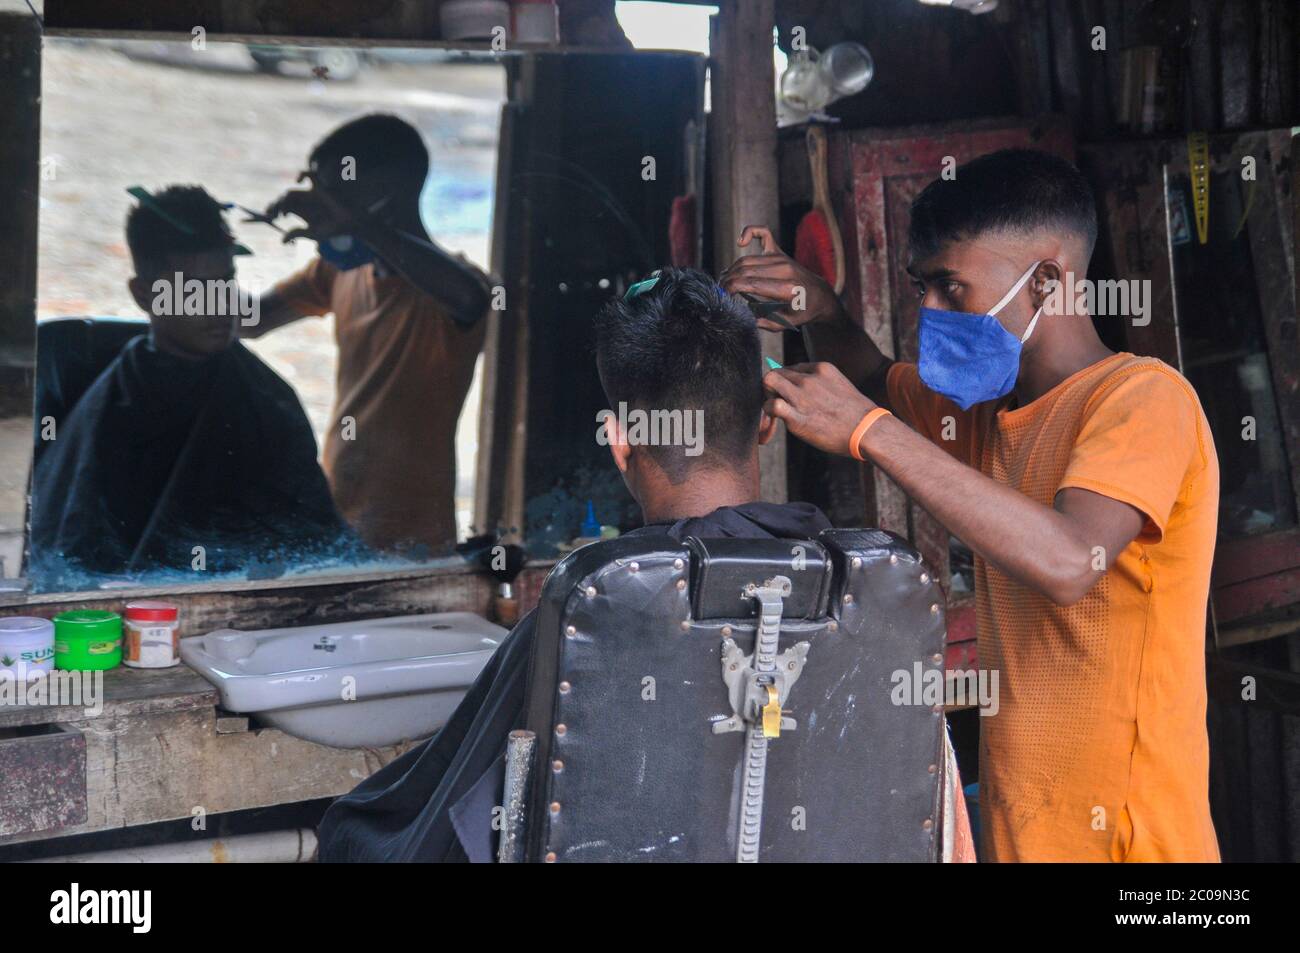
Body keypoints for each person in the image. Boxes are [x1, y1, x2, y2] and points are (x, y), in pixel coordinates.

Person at [722, 148, 1221, 862]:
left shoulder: (1142, 400)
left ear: (1047, 281)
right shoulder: (991, 414)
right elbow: (871, 379)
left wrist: (871, 433)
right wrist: (820, 308)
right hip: (1030, 835)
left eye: (951, 287)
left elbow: (1067, 558)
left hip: (1137, 847)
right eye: (923, 286)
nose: (929, 311)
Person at [317, 267, 831, 861]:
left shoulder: (593, 607)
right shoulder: (853, 583)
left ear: (619, 441)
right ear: (768, 420)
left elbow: (432, 827)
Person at [31, 186, 350, 583]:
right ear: (145, 294)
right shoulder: (112, 399)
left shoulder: (269, 399)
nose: (219, 303)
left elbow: (313, 547)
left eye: (225, 281)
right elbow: (77, 547)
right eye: (192, 289)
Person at [249, 114, 493, 557]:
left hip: (412, 536)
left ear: (389, 191)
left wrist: (359, 226)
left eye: (337, 192)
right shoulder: (338, 275)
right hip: (339, 521)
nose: (324, 206)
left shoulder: (453, 291)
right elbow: (246, 320)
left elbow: (470, 296)